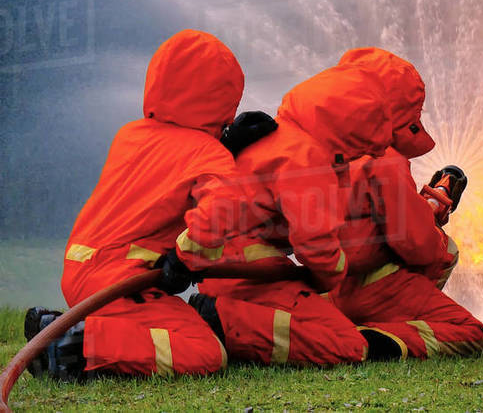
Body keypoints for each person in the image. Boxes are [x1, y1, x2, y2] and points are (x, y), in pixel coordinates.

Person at [31, 29, 244, 379]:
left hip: (77, 271)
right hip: (120, 281)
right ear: (224, 102)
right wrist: (186, 257)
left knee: (161, 323)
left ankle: (67, 327)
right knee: (205, 351)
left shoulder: (129, 135)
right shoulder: (208, 154)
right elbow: (221, 211)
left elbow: (159, 180)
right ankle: (74, 347)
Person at [184, 60, 393, 366]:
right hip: (244, 270)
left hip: (225, 267)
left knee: (314, 319)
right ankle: (219, 321)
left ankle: (225, 320)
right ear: (352, 131)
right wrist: (336, 272)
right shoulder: (308, 158)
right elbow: (317, 247)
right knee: (348, 345)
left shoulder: (283, 138)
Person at [332, 47, 483, 359]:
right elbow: (416, 246)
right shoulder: (384, 161)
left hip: (331, 285)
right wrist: (429, 218)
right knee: (470, 331)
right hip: (376, 286)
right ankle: (378, 339)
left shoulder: (320, 150)